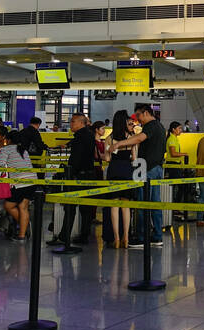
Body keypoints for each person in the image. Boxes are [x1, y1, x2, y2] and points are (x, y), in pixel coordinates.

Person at [108, 103, 166, 247]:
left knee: (141, 203)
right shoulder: (159, 126)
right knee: (155, 204)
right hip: (157, 168)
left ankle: (141, 237)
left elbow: (139, 139)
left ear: (146, 112)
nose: (137, 120)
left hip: (148, 169)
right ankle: (157, 236)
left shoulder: (151, 126)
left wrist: (119, 144)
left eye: (138, 115)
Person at [52, 113, 98, 247]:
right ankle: (83, 235)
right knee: (85, 208)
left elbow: (76, 158)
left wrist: (70, 171)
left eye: (73, 122)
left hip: (79, 176)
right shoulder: (89, 135)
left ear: (81, 123)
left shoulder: (79, 137)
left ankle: (64, 236)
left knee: (70, 206)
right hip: (89, 174)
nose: (70, 124)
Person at [0, 129, 37, 242]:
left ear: (8, 140)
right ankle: (22, 235)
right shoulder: (24, 150)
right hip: (32, 181)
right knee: (23, 207)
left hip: (19, 183)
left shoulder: (5, 149)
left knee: (8, 206)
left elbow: (0, 165)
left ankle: (24, 225)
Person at [102, 110, 135, 249]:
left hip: (114, 170)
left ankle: (116, 239)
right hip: (127, 170)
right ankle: (125, 238)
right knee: (126, 206)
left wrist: (108, 153)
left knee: (114, 206)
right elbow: (134, 157)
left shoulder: (109, 139)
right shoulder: (130, 137)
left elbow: (107, 158)